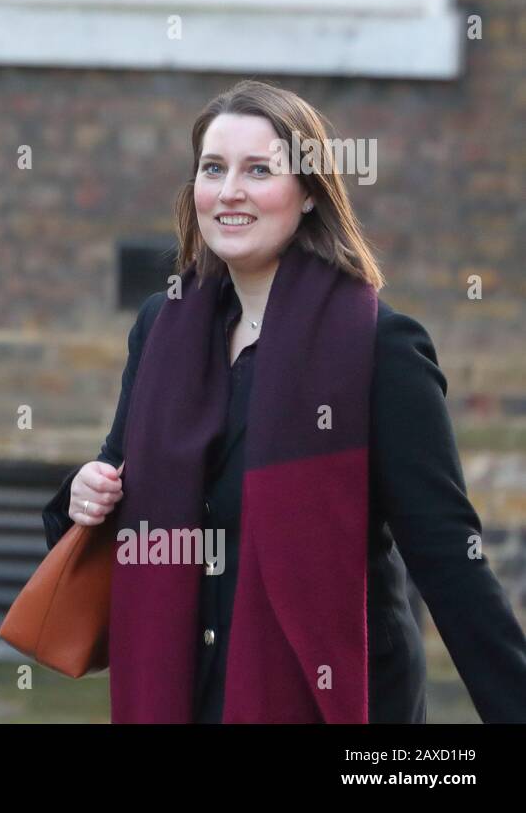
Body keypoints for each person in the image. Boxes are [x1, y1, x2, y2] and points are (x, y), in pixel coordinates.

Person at [42, 80, 526, 723]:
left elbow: (448, 557)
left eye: (260, 170)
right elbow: (112, 492)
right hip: (186, 697)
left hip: (335, 703)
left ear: (307, 195)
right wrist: (82, 495)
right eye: (213, 169)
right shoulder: (164, 327)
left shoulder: (380, 347)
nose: (230, 191)